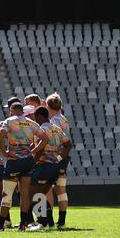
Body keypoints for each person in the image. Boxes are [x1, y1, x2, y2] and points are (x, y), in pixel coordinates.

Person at [0, 100, 40, 231]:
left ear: (12, 110)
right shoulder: (31, 123)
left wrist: (5, 153)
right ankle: (23, 224)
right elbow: (45, 138)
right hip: (28, 161)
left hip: (14, 161)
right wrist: (33, 150)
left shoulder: (9, 121)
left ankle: (0, 224)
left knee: (7, 193)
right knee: (25, 194)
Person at [30, 106, 71, 230]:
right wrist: (58, 158)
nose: (36, 119)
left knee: (33, 194)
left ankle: (43, 222)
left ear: (40, 116)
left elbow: (40, 148)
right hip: (54, 167)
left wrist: (33, 162)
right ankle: (50, 222)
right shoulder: (56, 128)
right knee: (41, 193)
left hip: (43, 166)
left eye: (36, 117)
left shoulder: (42, 130)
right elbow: (68, 145)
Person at [45, 92, 74, 228]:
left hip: (55, 156)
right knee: (61, 189)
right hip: (64, 156)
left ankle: (49, 220)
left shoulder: (53, 121)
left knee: (48, 188)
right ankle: (61, 221)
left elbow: (53, 139)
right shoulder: (63, 118)